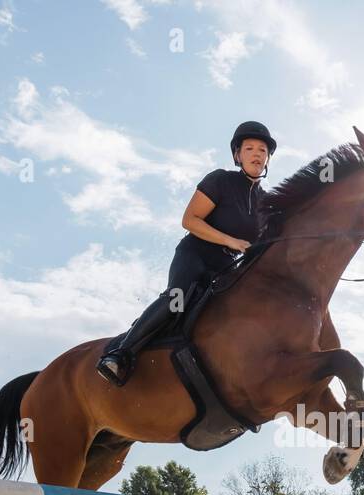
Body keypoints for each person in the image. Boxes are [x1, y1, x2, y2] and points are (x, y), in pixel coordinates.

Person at [96, 121, 277, 385]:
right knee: (177, 299)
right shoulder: (220, 180)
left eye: (262, 149)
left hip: (225, 268)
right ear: (237, 155)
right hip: (196, 254)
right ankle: (120, 353)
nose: (257, 153)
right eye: (249, 148)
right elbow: (190, 220)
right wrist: (232, 241)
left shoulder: (265, 202)